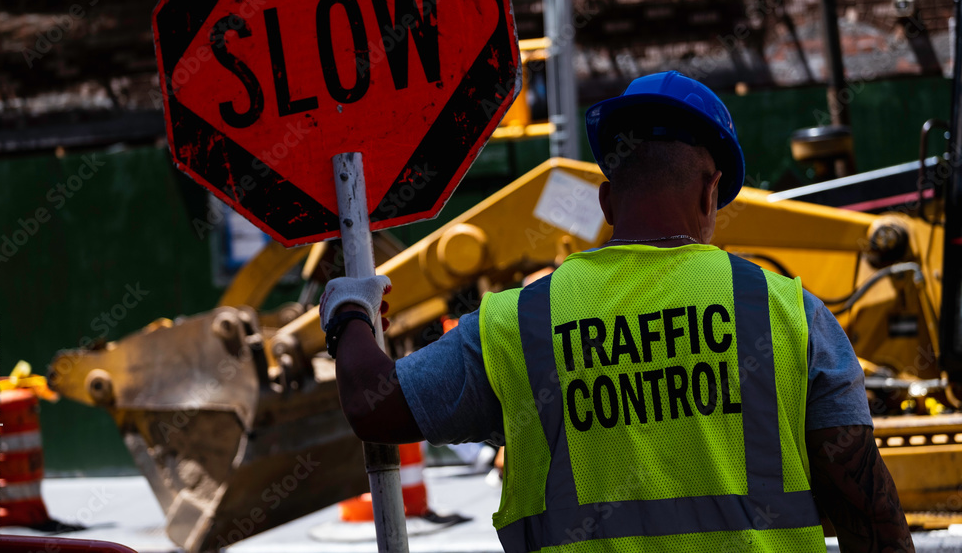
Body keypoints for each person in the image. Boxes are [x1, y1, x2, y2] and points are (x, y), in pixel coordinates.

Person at [320, 71, 914, 552]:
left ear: (606, 200)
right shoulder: (788, 313)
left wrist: (350, 312)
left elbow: (376, 408)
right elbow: (870, 515)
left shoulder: (520, 324)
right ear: (711, 192)